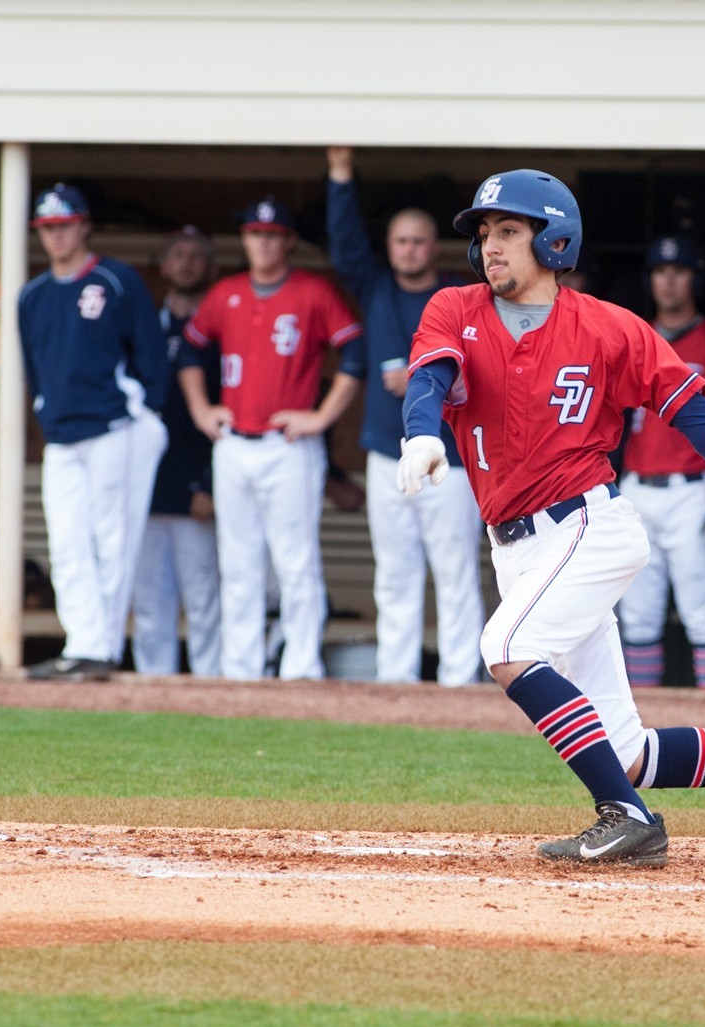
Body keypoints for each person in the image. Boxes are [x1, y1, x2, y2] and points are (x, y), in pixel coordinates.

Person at [398, 169, 705, 867]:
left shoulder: (610, 328)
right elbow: (431, 378)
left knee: (507, 648)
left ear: (554, 241)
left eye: (509, 231)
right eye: (486, 233)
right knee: (625, 750)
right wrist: (422, 432)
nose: (491, 246)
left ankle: (628, 818)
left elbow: (700, 416)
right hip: (516, 545)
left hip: (586, 526)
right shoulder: (454, 308)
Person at [180, 196, 365, 681]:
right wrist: (201, 408)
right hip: (234, 442)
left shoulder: (313, 291)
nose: (262, 242)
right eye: (254, 233)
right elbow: (188, 353)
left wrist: (322, 417)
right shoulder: (225, 293)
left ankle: (300, 667)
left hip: (288, 445)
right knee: (238, 563)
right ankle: (240, 670)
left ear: (287, 241)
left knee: (294, 560)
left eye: (272, 234)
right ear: (245, 239)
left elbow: (356, 354)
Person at [325, 144, 484, 687]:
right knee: (394, 573)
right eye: (401, 241)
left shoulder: (459, 298)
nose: (410, 250)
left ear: (434, 247)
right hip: (384, 449)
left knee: (455, 570)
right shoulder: (374, 288)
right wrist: (340, 175)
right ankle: (397, 680)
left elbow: (484, 373)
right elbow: (345, 247)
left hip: (450, 457)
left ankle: (460, 680)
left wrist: (425, 375)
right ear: (389, 247)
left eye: (419, 241)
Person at [16, 184, 168, 681]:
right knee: (66, 542)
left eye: (64, 226)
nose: (56, 236)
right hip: (62, 434)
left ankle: (101, 648)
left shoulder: (115, 279)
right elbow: (35, 368)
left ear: (83, 225)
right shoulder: (32, 295)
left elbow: (150, 353)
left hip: (113, 425)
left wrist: (147, 410)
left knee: (112, 537)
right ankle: (80, 642)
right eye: (47, 229)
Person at [616, 235, 705, 689]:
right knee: (636, 618)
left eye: (679, 271)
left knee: (702, 616)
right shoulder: (633, 338)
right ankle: (639, 728)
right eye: (660, 271)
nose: (669, 281)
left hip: (694, 489)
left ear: (695, 278)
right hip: (635, 488)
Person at [130, 226, 221, 677]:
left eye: (196, 255)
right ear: (162, 266)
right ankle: (153, 685)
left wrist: (208, 483)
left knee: (203, 598)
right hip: (146, 485)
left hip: (197, 487)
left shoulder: (218, 329)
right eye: (177, 255)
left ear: (211, 267)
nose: (186, 263)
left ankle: (209, 686)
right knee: (148, 599)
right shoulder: (143, 326)